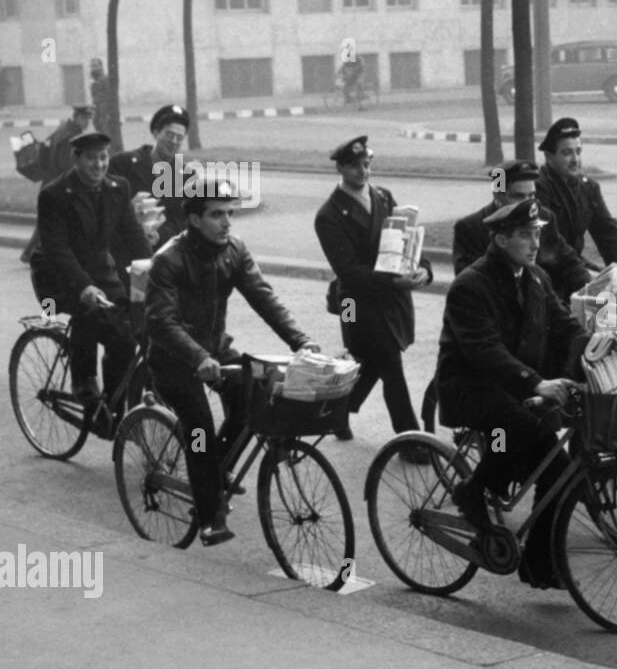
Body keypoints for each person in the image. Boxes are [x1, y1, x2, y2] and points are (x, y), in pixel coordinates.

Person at [147, 185, 319, 546]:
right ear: (194, 219)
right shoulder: (169, 259)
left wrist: (301, 341)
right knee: (199, 431)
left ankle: (214, 473)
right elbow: (162, 322)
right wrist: (198, 358)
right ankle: (210, 517)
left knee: (253, 401)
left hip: (214, 350)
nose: (227, 222)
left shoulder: (234, 250)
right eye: (216, 214)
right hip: (175, 359)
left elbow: (263, 297)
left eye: (230, 213)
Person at [436, 199, 588, 590]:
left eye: (537, 233)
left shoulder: (535, 277)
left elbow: (564, 324)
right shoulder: (471, 285)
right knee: (522, 425)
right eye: (524, 235)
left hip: (510, 388)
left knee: (559, 471)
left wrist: (599, 346)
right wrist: (536, 383)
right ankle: (473, 490)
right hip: (470, 388)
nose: (534, 242)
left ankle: (538, 564)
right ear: (501, 239)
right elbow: (485, 351)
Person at [314, 135, 432, 443]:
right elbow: (349, 271)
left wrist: (423, 268)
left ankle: (336, 411)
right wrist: (394, 281)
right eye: (354, 167)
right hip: (355, 303)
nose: (363, 172)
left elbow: (405, 239)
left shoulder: (383, 196)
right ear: (339, 169)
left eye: (367, 165)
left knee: (369, 362)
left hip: (391, 297)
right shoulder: (328, 215)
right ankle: (410, 440)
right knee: (389, 364)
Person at [29, 130, 150, 428]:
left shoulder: (118, 187)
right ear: (76, 159)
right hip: (57, 275)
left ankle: (109, 408)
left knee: (127, 332)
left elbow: (133, 236)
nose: (99, 165)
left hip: (100, 270)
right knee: (90, 312)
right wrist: (83, 285)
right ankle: (82, 381)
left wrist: (155, 269)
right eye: (92, 158)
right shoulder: (55, 195)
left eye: (104, 157)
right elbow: (56, 248)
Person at [452, 158, 592, 302]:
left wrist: (589, 289)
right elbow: (470, 286)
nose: (528, 203)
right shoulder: (470, 228)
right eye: (518, 196)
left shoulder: (545, 218)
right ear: (498, 196)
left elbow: (569, 263)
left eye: (532, 195)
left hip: (546, 307)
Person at [535, 117, 617, 270]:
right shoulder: (539, 189)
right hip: (548, 272)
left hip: (573, 265)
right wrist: (586, 272)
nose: (575, 160)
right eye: (567, 153)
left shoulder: (589, 188)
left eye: (578, 152)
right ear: (549, 156)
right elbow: (549, 246)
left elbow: (608, 234)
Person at [19, 104, 95, 263]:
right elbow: (67, 165)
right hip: (60, 185)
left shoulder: (62, 129)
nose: (87, 123)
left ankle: (30, 253)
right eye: (86, 119)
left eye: (89, 119)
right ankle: (33, 253)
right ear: (78, 117)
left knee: (49, 219)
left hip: (50, 181)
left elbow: (45, 154)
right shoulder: (71, 137)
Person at [109, 104, 192, 250]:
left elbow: (186, 221)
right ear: (155, 133)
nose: (173, 142)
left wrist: (160, 235)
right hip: (125, 250)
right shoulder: (122, 165)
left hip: (165, 254)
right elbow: (105, 207)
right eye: (169, 135)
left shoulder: (186, 176)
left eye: (179, 138)